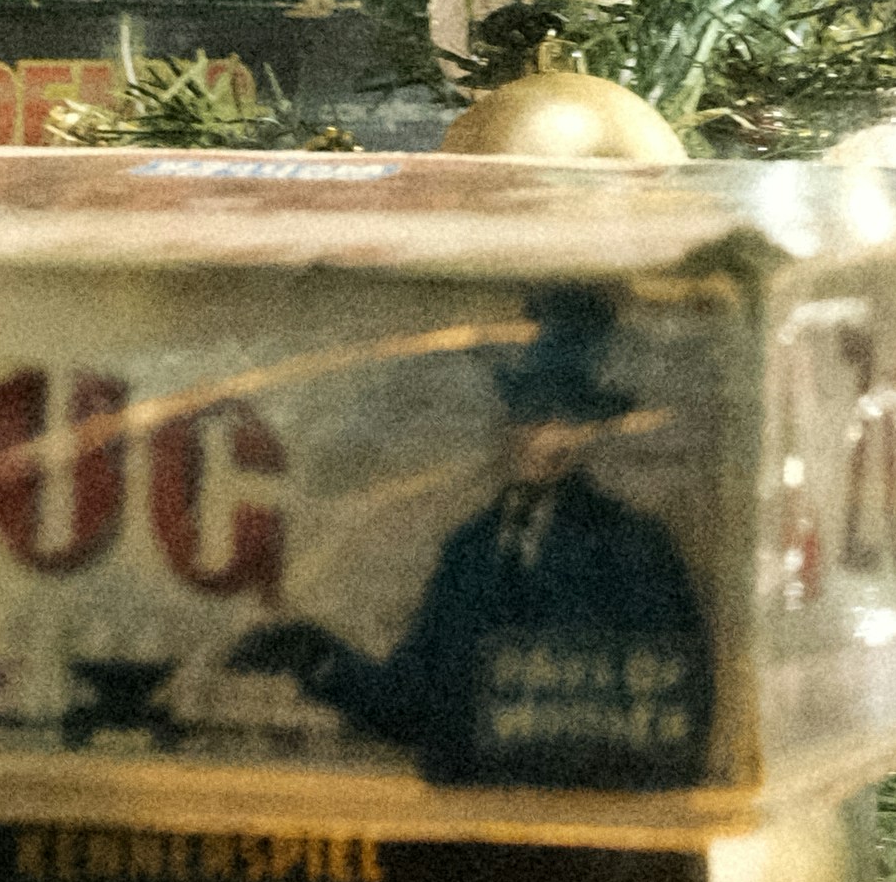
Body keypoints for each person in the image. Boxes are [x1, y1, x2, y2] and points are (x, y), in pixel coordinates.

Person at [229, 286, 712, 791]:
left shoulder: (633, 547)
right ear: (511, 424)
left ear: (589, 431)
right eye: (534, 415)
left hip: (585, 834)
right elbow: (412, 705)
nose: (550, 438)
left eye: (568, 420)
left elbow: (677, 714)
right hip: (464, 829)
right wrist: (314, 656)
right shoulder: (470, 549)